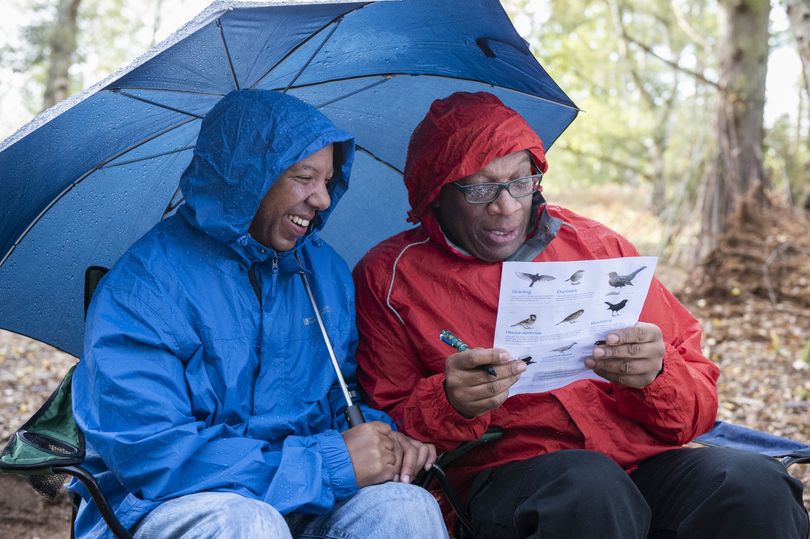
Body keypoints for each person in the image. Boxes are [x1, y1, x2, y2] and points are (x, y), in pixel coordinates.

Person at [353, 91, 809, 538]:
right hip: (508, 480)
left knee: (753, 485)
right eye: (479, 188)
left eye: (520, 181)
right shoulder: (390, 277)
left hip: (638, 462)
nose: (506, 205)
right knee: (587, 487)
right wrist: (450, 402)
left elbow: (699, 407)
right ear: (436, 193)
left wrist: (658, 375)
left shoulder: (597, 248)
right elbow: (388, 431)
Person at [70, 90, 447, 539]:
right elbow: (155, 455)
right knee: (249, 523)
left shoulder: (321, 272)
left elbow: (341, 399)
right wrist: (328, 464)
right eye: (305, 177)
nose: (323, 200)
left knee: (405, 507)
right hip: (165, 506)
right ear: (248, 179)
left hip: (306, 500)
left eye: (328, 181)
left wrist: (387, 440)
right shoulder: (144, 287)